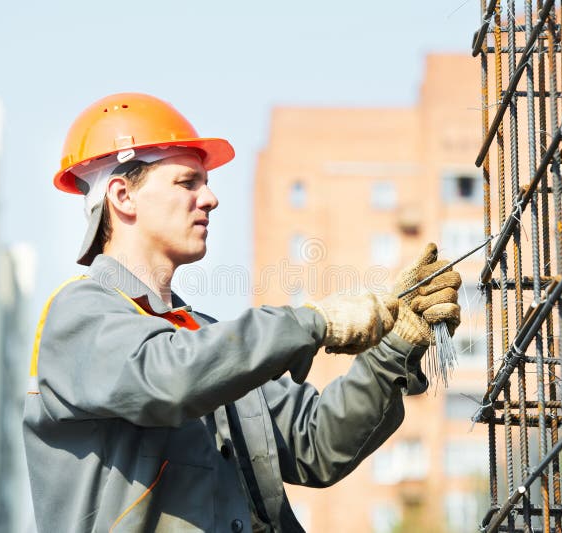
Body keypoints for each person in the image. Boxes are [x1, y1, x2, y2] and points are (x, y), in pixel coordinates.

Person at [23, 93, 461, 533]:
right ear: (123, 196)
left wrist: (395, 347)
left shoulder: (202, 339)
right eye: (187, 182)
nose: (210, 198)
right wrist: (314, 322)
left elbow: (317, 442)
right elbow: (169, 377)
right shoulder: (79, 317)